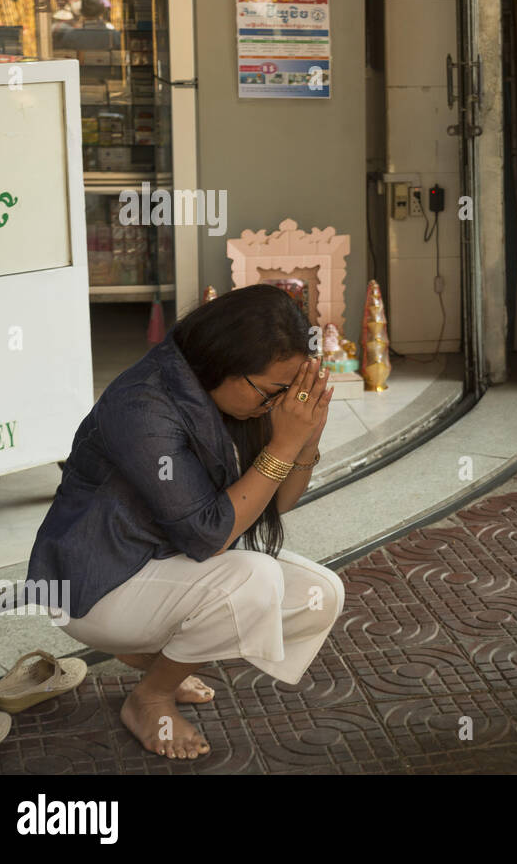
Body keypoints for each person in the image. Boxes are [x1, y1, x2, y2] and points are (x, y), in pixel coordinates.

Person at [26, 284, 345, 760]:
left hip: (163, 564)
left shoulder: (232, 393)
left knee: (320, 596)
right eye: (271, 392)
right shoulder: (142, 407)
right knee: (252, 581)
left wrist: (305, 440)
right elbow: (210, 534)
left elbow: (273, 504)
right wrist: (281, 445)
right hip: (91, 584)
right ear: (225, 364)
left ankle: (157, 656)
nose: (276, 404)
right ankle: (150, 694)